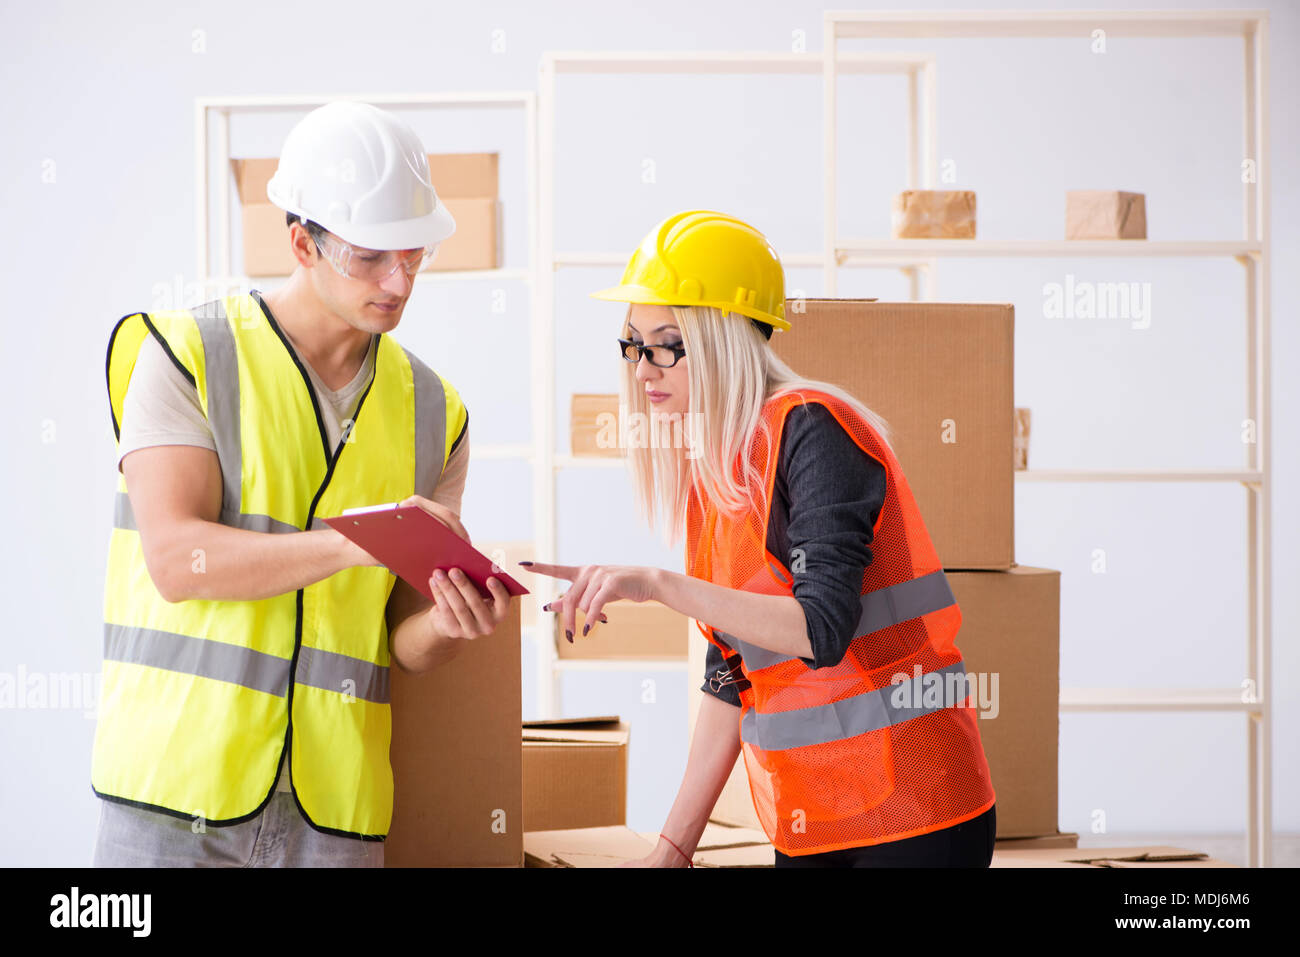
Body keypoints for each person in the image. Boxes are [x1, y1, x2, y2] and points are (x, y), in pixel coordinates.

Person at [92, 102, 511, 867]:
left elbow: (403, 641)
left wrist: (452, 624)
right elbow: (177, 561)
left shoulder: (434, 411)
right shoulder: (186, 355)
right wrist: (357, 545)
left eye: (414, 253)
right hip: (174, 797)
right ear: (301, 242)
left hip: (334, 813)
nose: (400, 279)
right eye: (370, 256)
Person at [524, 210, 997, 868]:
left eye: (666, 343)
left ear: (723, 338)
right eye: (633, 343)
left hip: (917, 809)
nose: (642, 368)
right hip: (818, 813)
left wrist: (658, 584)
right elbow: (732, 675)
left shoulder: (813, 431)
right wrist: (672, 848)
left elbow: (821, 628)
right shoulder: (716, 472)